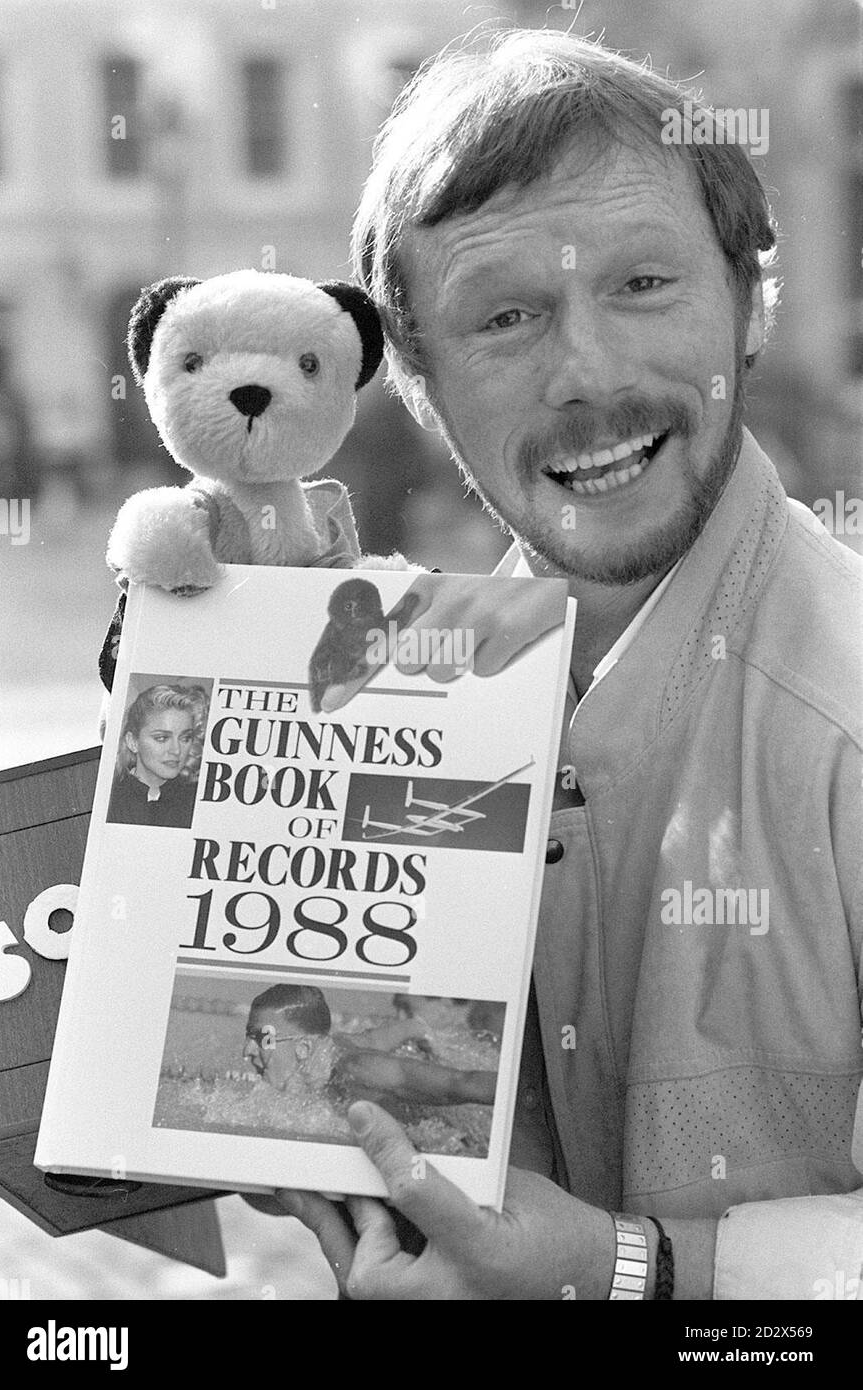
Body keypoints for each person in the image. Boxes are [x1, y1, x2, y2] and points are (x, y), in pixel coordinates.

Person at [245, 29, 863, 1300]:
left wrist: (628, 1276)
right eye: (506, 316)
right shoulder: (387, 702)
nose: (586, 373)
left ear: (752, 306)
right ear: (415, 384)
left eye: (643, 285)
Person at [243, 985, 497, 1117]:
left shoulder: (356, 1069)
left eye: (262, 1038)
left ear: (303, 1048)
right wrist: (431, 1042)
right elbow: (411, 1026)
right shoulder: (340, 1043)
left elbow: (461, 1083)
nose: (247, 1051)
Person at [107, 683, 206, 828]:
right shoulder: (110, 800)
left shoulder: (199, 800)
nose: (176, 750)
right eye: (162, 738)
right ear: (133, 742)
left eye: (185, 738)